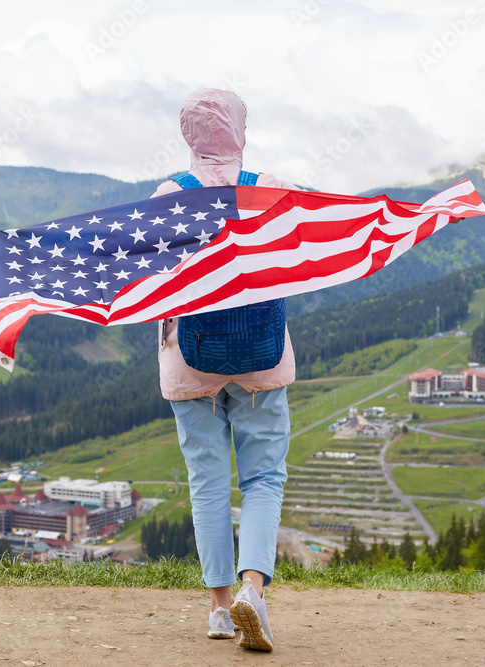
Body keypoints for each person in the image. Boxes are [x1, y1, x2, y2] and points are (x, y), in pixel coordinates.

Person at [150, 88, 297, 652]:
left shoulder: (168, 198)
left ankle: (217, 609)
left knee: (207, 482)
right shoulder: (270, 190)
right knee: (264, 476)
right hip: (262, 356)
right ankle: (252, 589)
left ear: (188, 135)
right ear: (240, 131)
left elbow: (152, 275)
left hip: (189, 357)